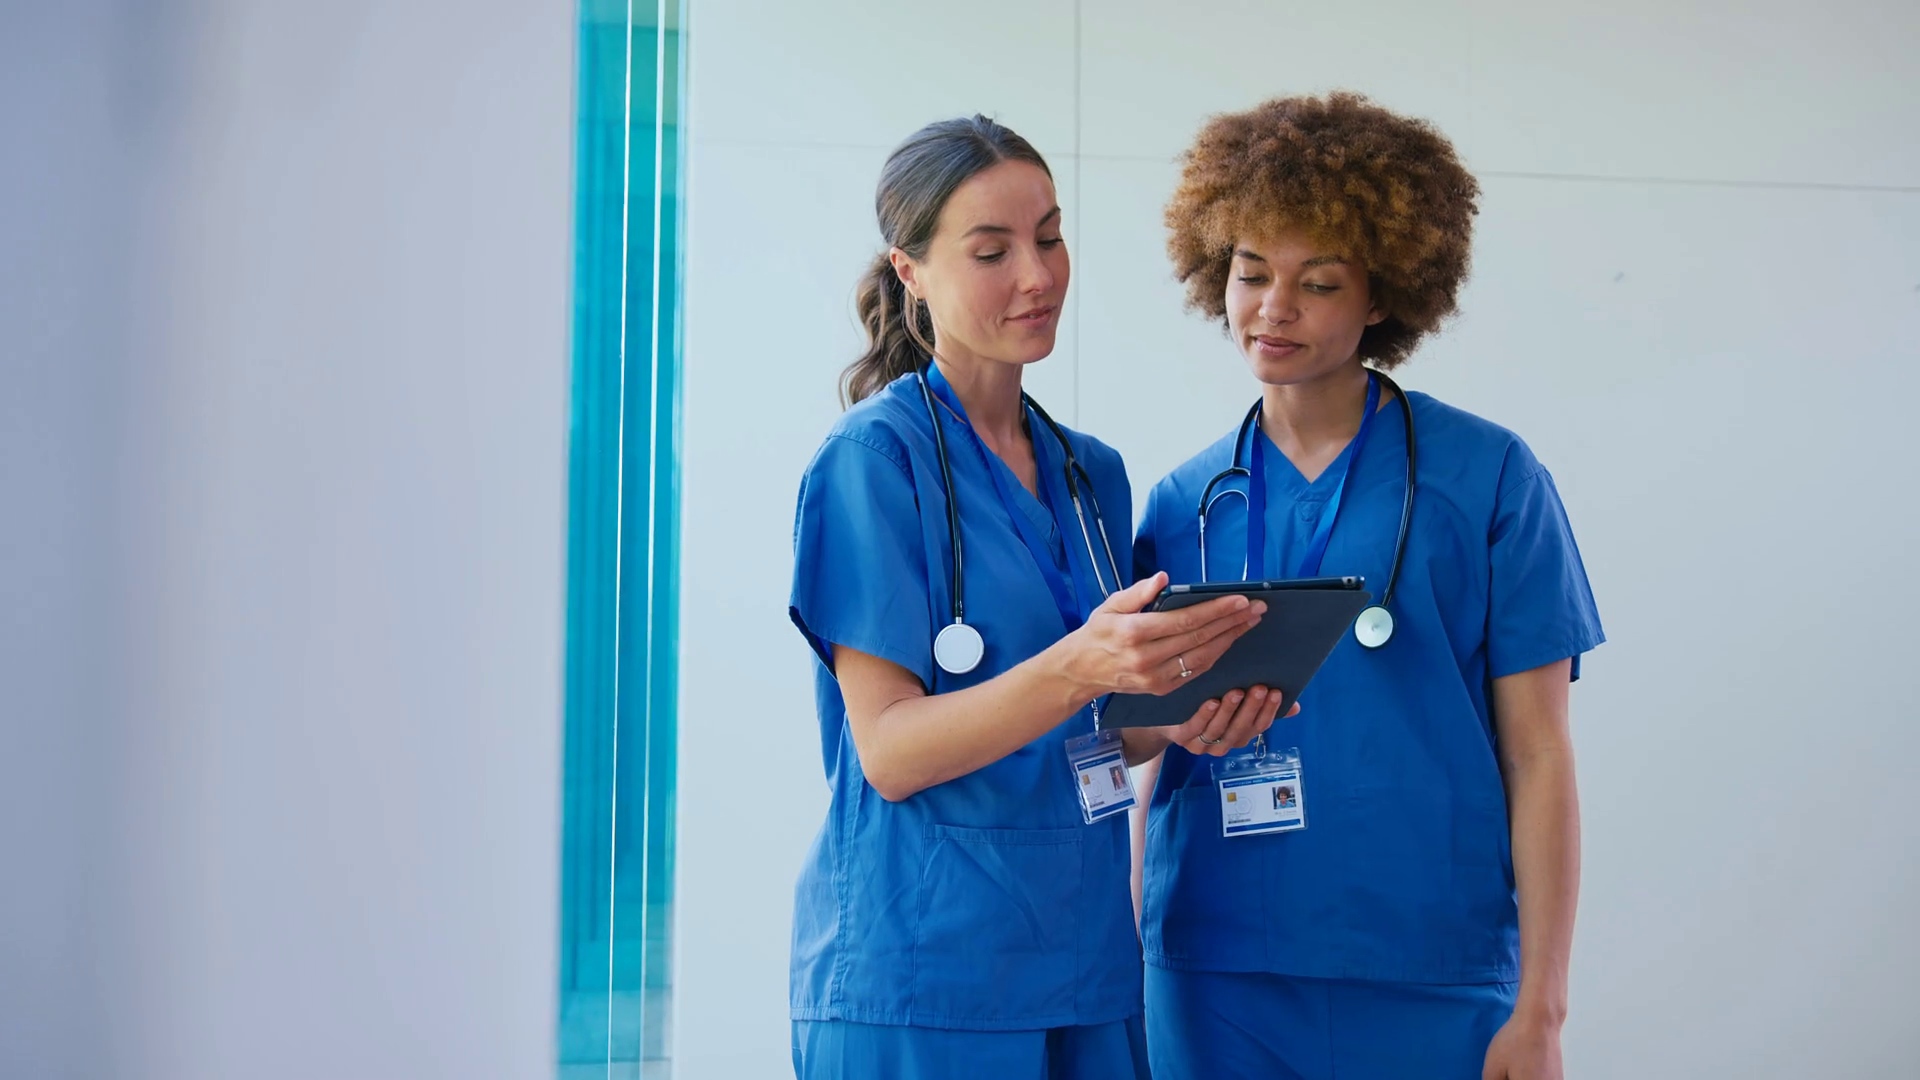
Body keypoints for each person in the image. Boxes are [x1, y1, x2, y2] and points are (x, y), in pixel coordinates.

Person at [787, 115, 1294, 1080]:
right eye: (992, 251)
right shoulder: (872, 465)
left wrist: (1181, 711)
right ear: (911, 272)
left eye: (1051, 238)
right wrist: (1081, 666)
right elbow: (891, 753)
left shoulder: (1088, 475)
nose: (1037, 275)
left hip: (1087, 968)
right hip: (927, 976)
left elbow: (1101, 731)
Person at [1131, 93, 1605, 1080]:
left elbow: (1540, 756)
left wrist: (1544, 1010)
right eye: (1252, 274)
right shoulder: (1185, 505)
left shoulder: (1489, 481)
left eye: (1318, 283)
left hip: (1430, 971)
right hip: (1214, 971)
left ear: (1383, 296)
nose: (1273, 309)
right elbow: (1139, 746)